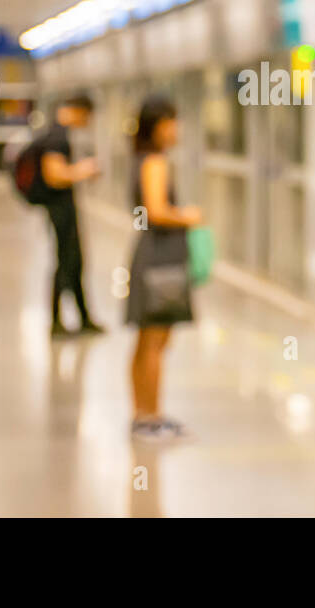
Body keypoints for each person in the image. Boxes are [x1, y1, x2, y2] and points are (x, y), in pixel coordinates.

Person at [127, 95, 202, 443]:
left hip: (151, 253)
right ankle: (150, 417)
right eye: (172, 122)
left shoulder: (142, 159)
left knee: (147, 339)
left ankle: (143, 414)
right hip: (161, 255)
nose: (177, 129)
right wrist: (186, 215)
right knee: (156, 339)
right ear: (158, 126)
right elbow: (156, 210)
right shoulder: (155, 162)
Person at [38, 94, 102, 337]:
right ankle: (56, 321)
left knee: (74, 262)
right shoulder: (58, 137)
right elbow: (54, 175)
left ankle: (83, 317)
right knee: (65, 261)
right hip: (60, 209)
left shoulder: (57, 133)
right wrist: (83, 171)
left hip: (63, 207)